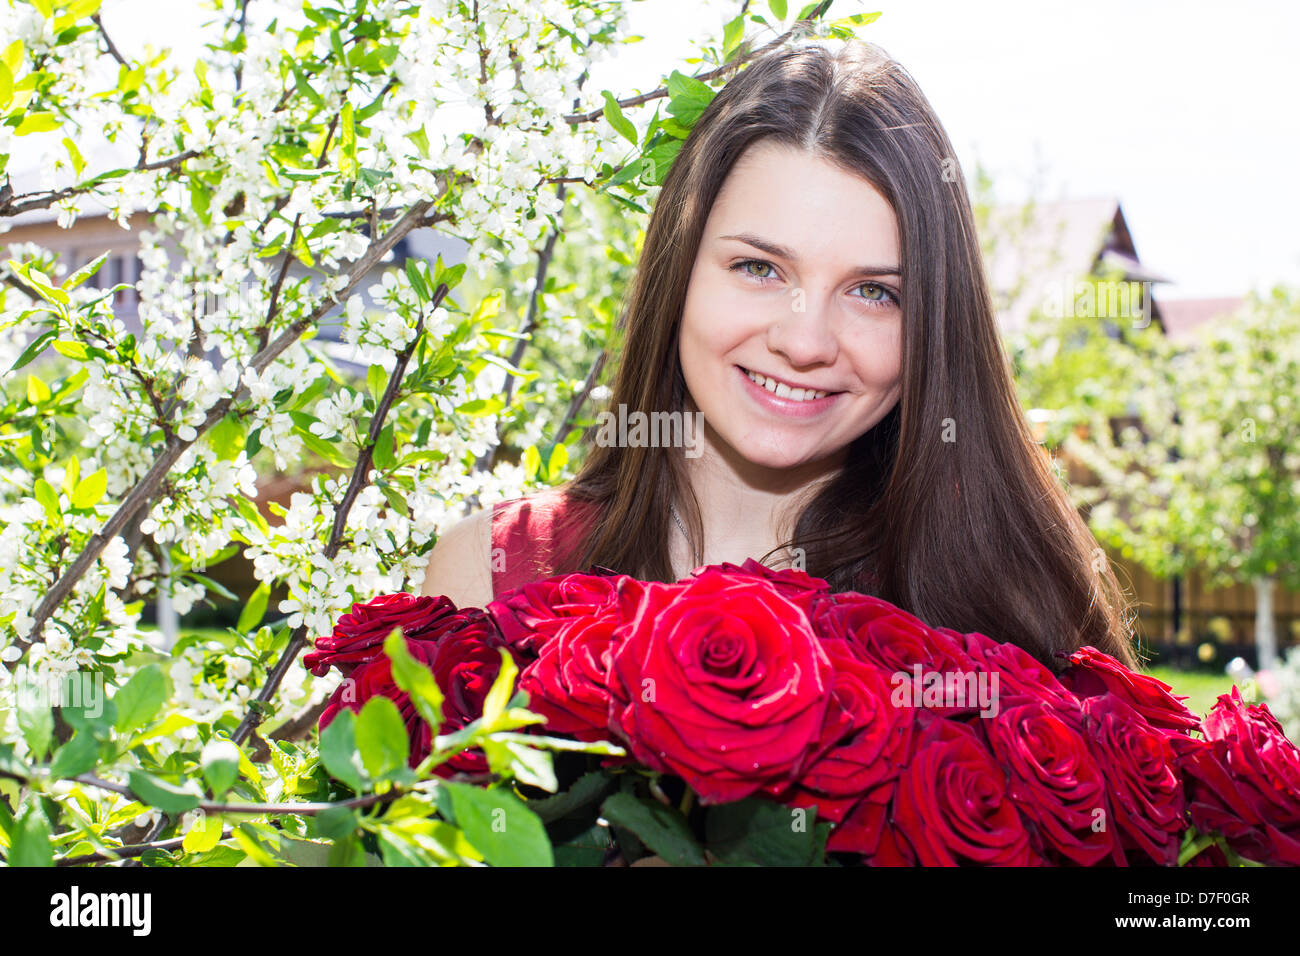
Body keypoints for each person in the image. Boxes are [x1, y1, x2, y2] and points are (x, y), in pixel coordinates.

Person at [422, 38, 1139, 672]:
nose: (804, 342)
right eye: (760, 269)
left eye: (873, 292)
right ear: (680, 272)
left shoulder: (1009, 610)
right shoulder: (483, 578)